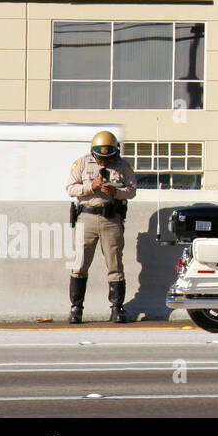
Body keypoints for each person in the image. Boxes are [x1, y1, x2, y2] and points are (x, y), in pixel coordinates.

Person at [66, 131, 137, 323]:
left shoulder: (122, 166)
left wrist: (115, 191)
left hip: (111, 219)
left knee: (115, 265)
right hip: (87, 217)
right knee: (79, 264)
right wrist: (91, 187)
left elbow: (131, 191)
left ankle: (117, 307)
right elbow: (70, 188)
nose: (103, 162)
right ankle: (76, 308)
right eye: (100, 158)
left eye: (108, 158)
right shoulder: (82, 163)